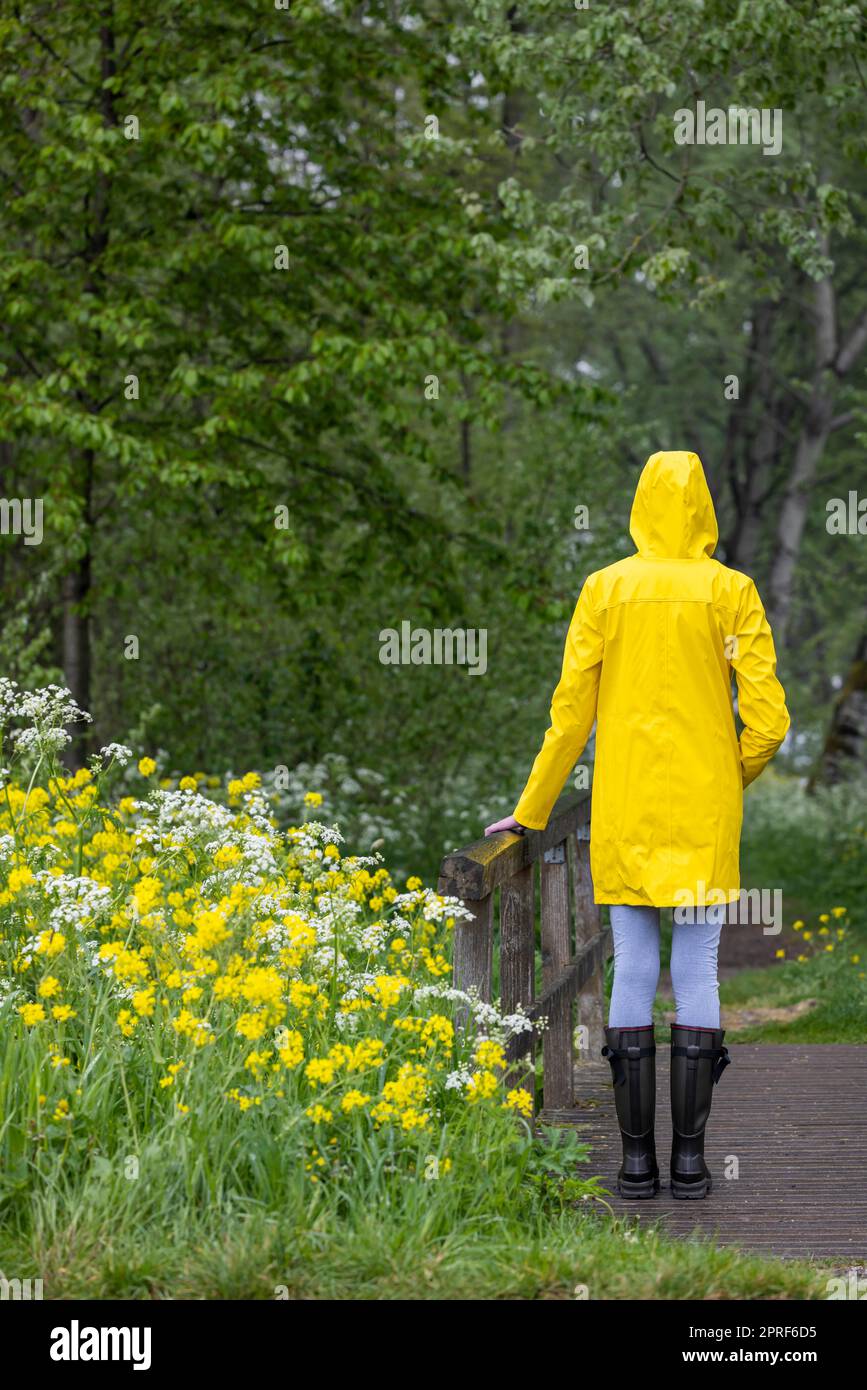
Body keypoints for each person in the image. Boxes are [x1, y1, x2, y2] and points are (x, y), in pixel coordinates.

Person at [485, 450, 790, 1199]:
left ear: (639, 505)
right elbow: (770, 721)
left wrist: (529, 812)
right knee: (695, 974)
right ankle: (689, 1164)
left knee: (631, 967)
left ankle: (632, 1165)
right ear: (703, 509)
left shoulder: (605, 588)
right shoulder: (731, 592)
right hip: (700, 816)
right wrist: (730, 773)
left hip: (624, 811)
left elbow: (570, 716)